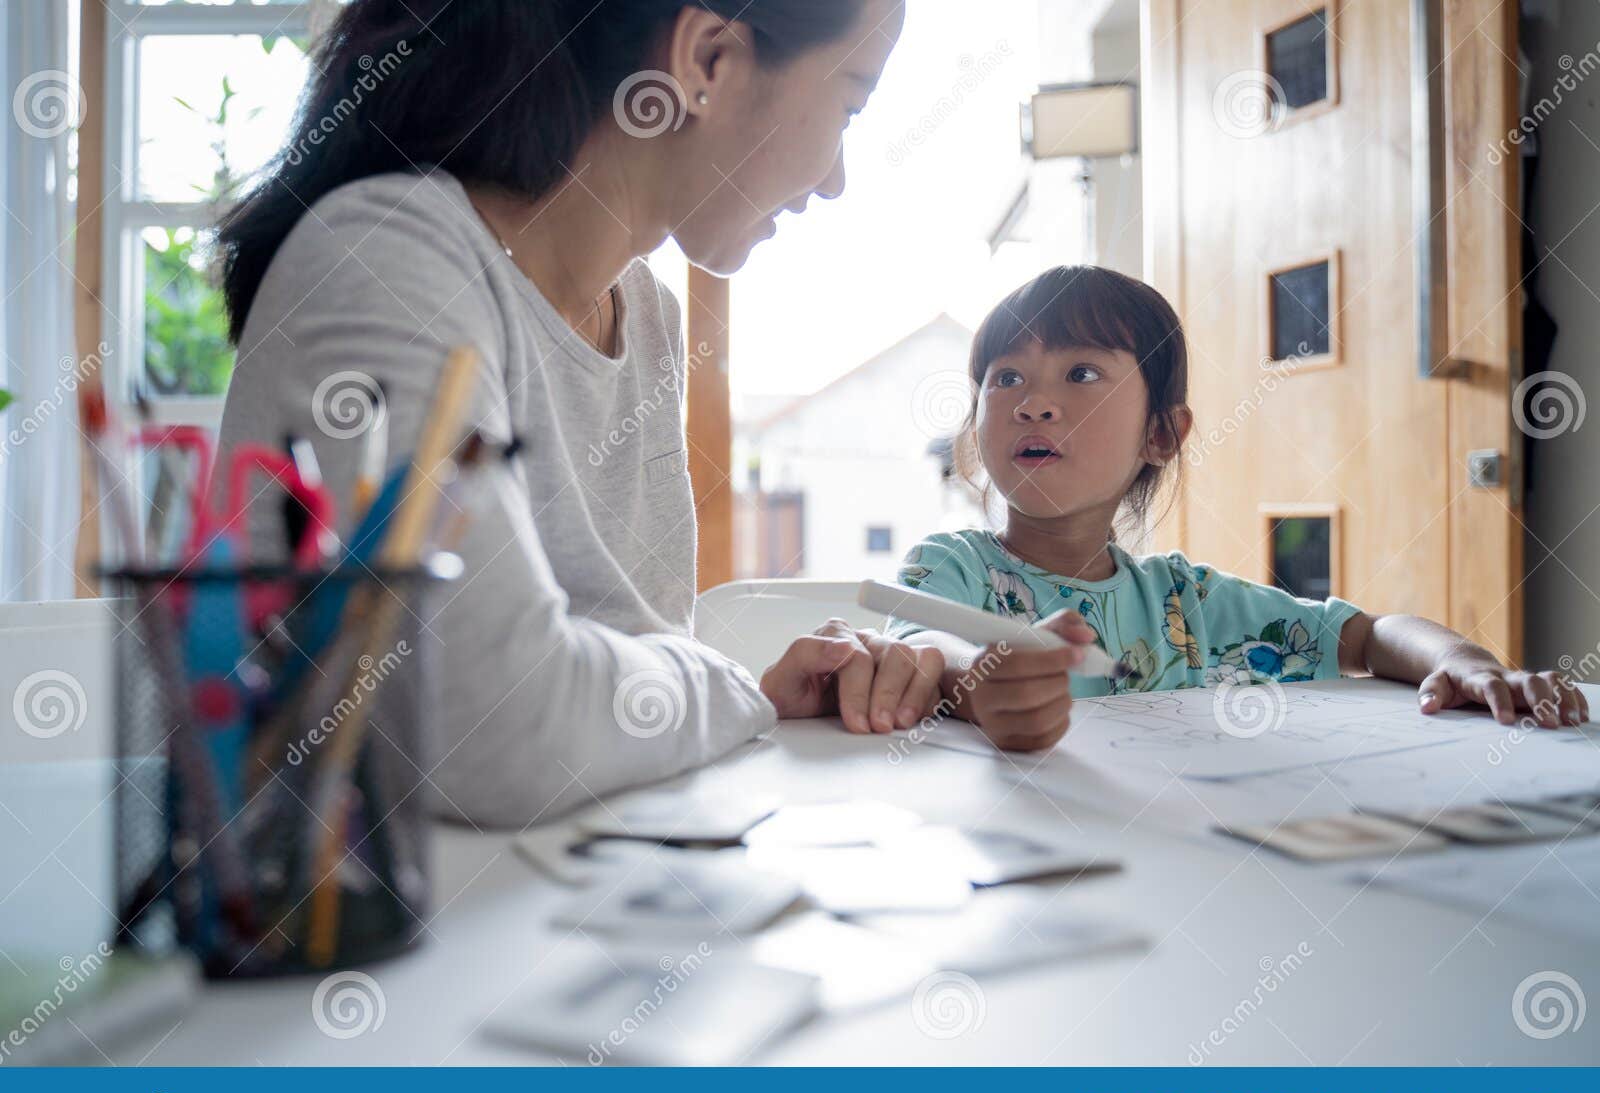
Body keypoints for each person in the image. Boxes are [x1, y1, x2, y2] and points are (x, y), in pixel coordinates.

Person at [213, 0, 941, 825]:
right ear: (707, 60)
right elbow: (495, 728)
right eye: (850, 104)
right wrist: (734, 689)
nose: (837, 178)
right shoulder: (384, 260)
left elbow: (608, 679)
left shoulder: (648, 320)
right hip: (374, 936)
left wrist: (767, 692)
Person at [888, 265, 1590, 751]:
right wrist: (977, 678)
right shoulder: (953, 565)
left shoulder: (1186, 604)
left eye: (1081, 373)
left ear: (1161, 434)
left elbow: (1367, 635)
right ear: (975, 431)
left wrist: (1469, 663)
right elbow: (920, 648)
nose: (1034, 401)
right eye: (1006, 377)